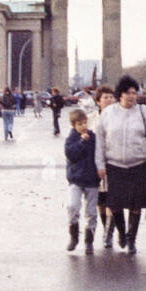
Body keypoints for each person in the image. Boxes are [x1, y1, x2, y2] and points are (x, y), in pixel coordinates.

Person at [95, 75, 146, 255]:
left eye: (134, 93)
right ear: (120, 94)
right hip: (114, 165)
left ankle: (131, 239)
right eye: (128, 93)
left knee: (135, 205)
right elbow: (100, 141)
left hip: (138, 164)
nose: (132, 96)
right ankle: (121, 233)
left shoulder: (143, 112)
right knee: (115, 204)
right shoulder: (108, 113)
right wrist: (100, 164)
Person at [64, 108, 100, 253]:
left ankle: (89, 241)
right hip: (76, 179)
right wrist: (81, 142)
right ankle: (73, 235)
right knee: (72, 206)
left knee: (91, 212)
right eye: (80, 124)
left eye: (85, 123)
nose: (83, 126)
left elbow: (100, 154)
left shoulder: (94, 137)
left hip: (92, 179)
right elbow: (71, 155)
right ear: (74, 125)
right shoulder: (71, 139)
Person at [88, 86, 117, 248]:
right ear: (98, 101)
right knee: (101, 200)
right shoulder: (90, 119)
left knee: (113, 200)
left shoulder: (121, 117)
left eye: (112, 97)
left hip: (115, 164)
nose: (109, 100)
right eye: (105, 97)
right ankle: (107, 227)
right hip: (96, 165)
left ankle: (108, 233)